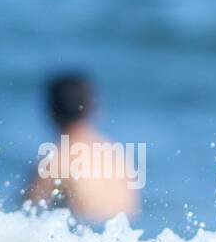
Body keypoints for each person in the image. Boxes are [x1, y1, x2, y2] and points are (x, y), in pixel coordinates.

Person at [22, 73, 139, 223]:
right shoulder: (116, 153)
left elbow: (25, 214)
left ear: (50, 112)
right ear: (94, 108)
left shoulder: (55, 160)